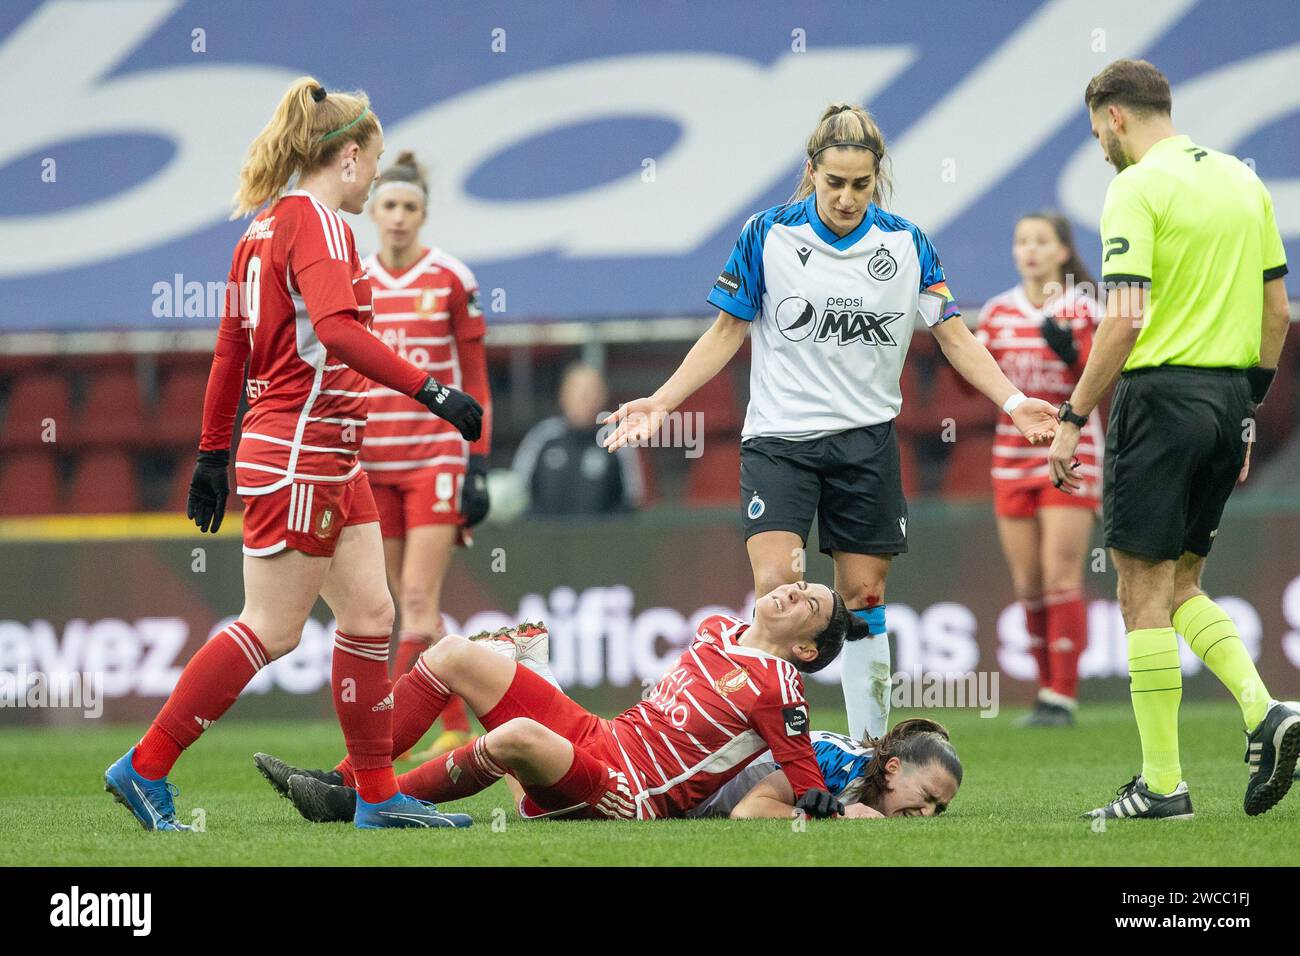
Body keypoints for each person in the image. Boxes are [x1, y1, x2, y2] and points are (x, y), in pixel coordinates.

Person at [603, 103, 1058, 746]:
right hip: (779, 444)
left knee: (865, 597)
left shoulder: (906, 243)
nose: (846, 198)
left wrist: (1014, 402)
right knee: (780, 594)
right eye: (834, 182)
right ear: (812, 172)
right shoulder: (767, 233)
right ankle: (770, 749)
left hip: (866, 443)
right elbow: (726, 331)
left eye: (861, 184)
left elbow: (955, 337)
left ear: (879, 179)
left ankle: (869, 752)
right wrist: (661, 401)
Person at [103, 77, 483, 831]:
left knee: (373, 614)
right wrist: (433, 393)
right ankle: (145, 766)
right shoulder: (321, 227)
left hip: (330, 454)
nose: (375, 179)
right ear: (346, 157)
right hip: (304, 450)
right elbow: (339, 333)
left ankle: (376, 798)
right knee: (272, 628)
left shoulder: (261, 228)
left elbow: (228, 352)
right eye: (371, 163)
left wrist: (214, 454)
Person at [1049, 59, 1297, 820]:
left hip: (1160, 400)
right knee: (1181, 583)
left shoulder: (1134, 187)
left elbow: (1123, 316)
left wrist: (1070, 416)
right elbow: (1279, 314)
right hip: (1229, 400)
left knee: (1138, 592)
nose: (1099, 147)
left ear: (1115, 116)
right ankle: (1268, 712)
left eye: (1097, 130)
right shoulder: (1240, 182)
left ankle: (1163, 786)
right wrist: (1248, 407)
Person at [256, 582, 871, 822]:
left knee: (517, 735)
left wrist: (833, 805)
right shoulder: (715, 627)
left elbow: (801, 770)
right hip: (602, 734)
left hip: (624, 791)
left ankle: (361, 805)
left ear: (808, 651)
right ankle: (340, 779)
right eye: (801, 585)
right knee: (448, 653)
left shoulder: (780, 687)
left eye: (808, 605)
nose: (793, 590)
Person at [360, 151, 492, 759]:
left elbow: (475, 376)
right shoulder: (355, 280)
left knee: (415, 599)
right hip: (371, 462)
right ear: (373, 211)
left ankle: (384, 734)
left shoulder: (450, 279)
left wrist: (479, 460)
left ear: (425, 213)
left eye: (410, 207)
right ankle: (461, 724)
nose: (398, 217)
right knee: (403, 603)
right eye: (389, 205)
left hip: (434, 457)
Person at [976, 213, 1103, 727]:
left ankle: (1063, 697)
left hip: (1071, 452)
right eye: (1021, 240)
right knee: (1028, 583)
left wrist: (1071, 352)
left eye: (1040, 241)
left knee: (1060, 574)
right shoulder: (997, 312)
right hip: (1011, 457)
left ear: (1062, 251)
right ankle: (1043, 693)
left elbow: (1097, 379)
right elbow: (972, 385)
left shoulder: (1083, 308)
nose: (1029, 250)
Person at [702, 719, 961, 820]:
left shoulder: (870, 778)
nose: (927, 814)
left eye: (938, 808)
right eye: (926, 795)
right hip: (683, 797)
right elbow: (746, 811)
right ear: (893, 768)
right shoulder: (834, 762)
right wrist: (838, 817)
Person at [513, 362, 644, 516]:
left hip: (601, 538)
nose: (584, 398)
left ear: (603, 396)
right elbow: (517, 492)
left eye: (591, 391)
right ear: (562, 395)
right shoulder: (542, 437)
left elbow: (633, 500)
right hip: (545, 538)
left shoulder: (619, 440)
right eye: (577, 390)